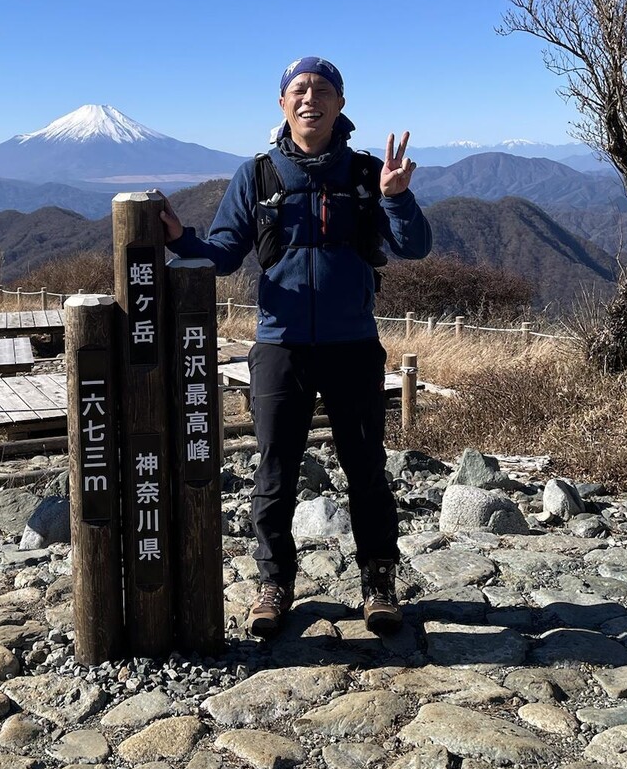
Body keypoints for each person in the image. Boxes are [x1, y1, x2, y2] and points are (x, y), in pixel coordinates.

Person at [159, 55, 432, 638]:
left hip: (353, 344)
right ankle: (273, 584)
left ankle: (379, 582)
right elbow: (227, 254)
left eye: (323, 90)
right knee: (275, 467)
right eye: (299, 90)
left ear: (340, 104)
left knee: (366, 466)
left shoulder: (365, 174)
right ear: (282, 104)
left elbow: (414, 248)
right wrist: (181, 239)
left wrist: (396, 197)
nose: (311, 98)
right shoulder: (255, 176)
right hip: (279, 345)